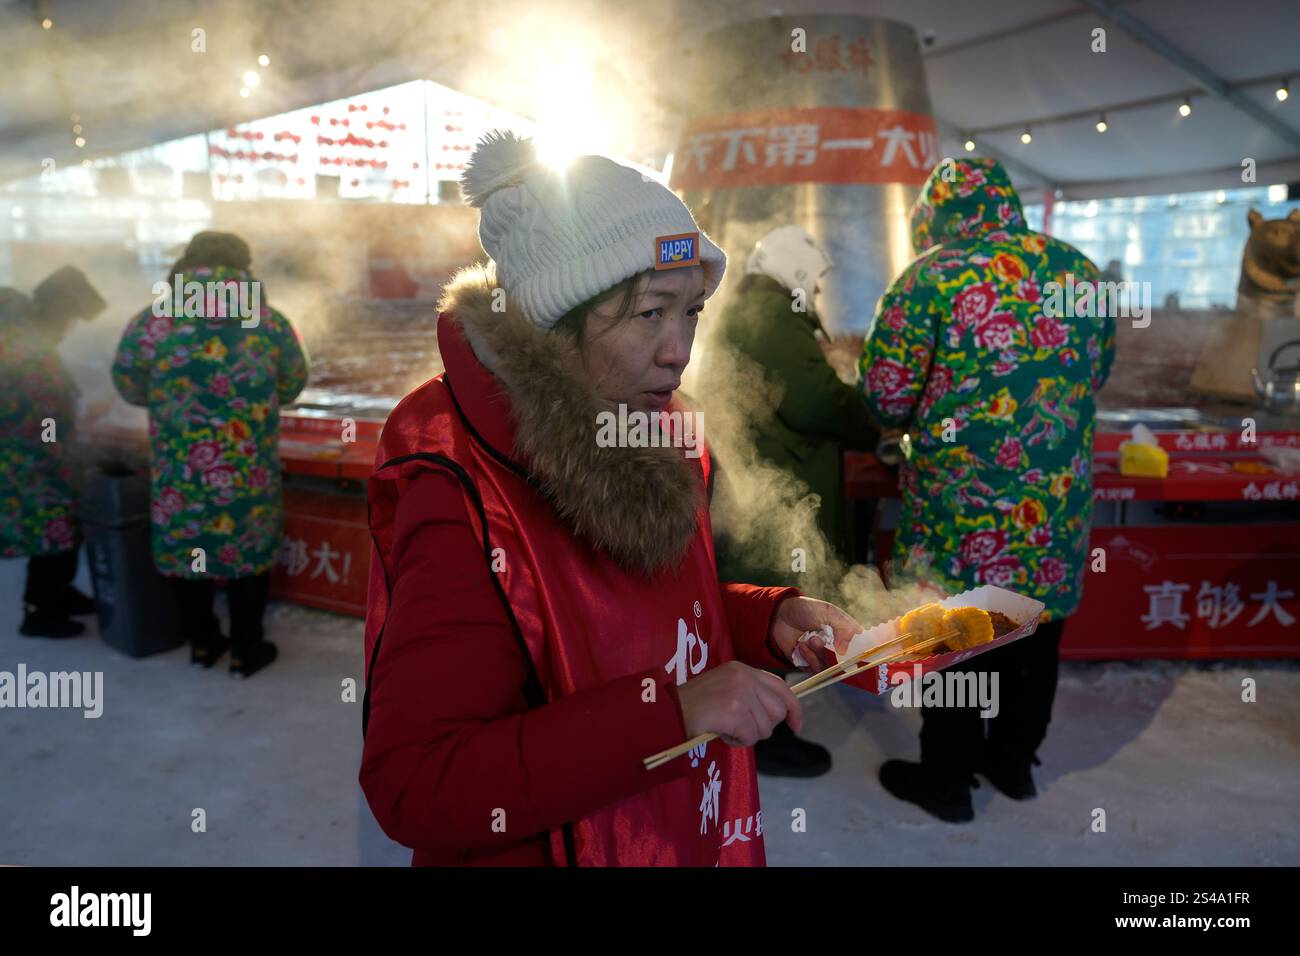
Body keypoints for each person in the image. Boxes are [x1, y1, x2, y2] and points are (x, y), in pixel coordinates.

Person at [359, 130, 863, 866]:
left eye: (692, 312)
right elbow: (417, 782)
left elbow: (643, 612)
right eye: (651, 312)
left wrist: (769, 617)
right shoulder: (462, 482)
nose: (680, 349)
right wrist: (672, 716)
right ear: (555, 321)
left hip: (675, 827)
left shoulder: (660, 426)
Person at [858, 157, 1115, 822]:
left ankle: (946, 779)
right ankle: (1013, 764)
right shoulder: (1078, 272)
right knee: (1037, 635)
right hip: (1054, 510)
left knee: (959, 640)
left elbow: (885, 396)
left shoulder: (930, 279)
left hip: (960, 515)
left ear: (933, 213)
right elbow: (1097, 370)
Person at [706, 225, 882, 778]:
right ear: (799, 274)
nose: (822, 294)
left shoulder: (752, 311)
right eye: (819, 281)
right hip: (768, 492)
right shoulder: (775, 319)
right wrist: (869, 419)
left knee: (762, 605)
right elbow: (814, 403)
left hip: (754, 484)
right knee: (767, 606)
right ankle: (765, 740)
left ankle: (760, 728)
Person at [111, 231, 309, 677]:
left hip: (179, 465)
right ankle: (246, 650)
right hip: (248, 465)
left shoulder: (154, 322)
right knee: (247, 549)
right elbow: (292, 383)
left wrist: (170, 404)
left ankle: (202, 644)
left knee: (188, 547)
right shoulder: (268, 321)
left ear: (187, 263)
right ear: (243, 267)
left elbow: (127, 381)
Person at [1, 267, 107, 637]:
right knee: (50, 526)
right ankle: (39, 611)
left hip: (29, 448)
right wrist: (56, 443)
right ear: (59, 310)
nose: (73, 328)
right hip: (29, 455)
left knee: (56, 525)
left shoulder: (24, 336)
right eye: (73, 318)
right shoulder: (27, 348)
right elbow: (43, 410)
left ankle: (59, 593)